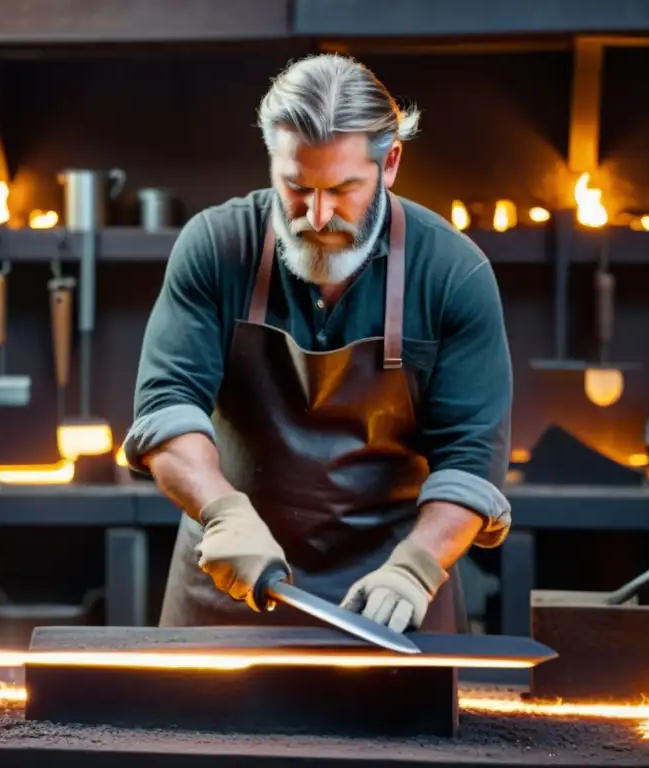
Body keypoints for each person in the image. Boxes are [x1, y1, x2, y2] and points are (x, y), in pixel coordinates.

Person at [122, 53, 513, 636]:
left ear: (391, 163)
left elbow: (471, 461)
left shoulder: (453, 273)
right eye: (296, 187)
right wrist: (223, 512)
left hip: (391, 596)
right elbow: (166, 408)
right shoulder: (216, 245)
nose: (318, 215)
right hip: (232, 583)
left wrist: (416, 568)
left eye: (343, 188)